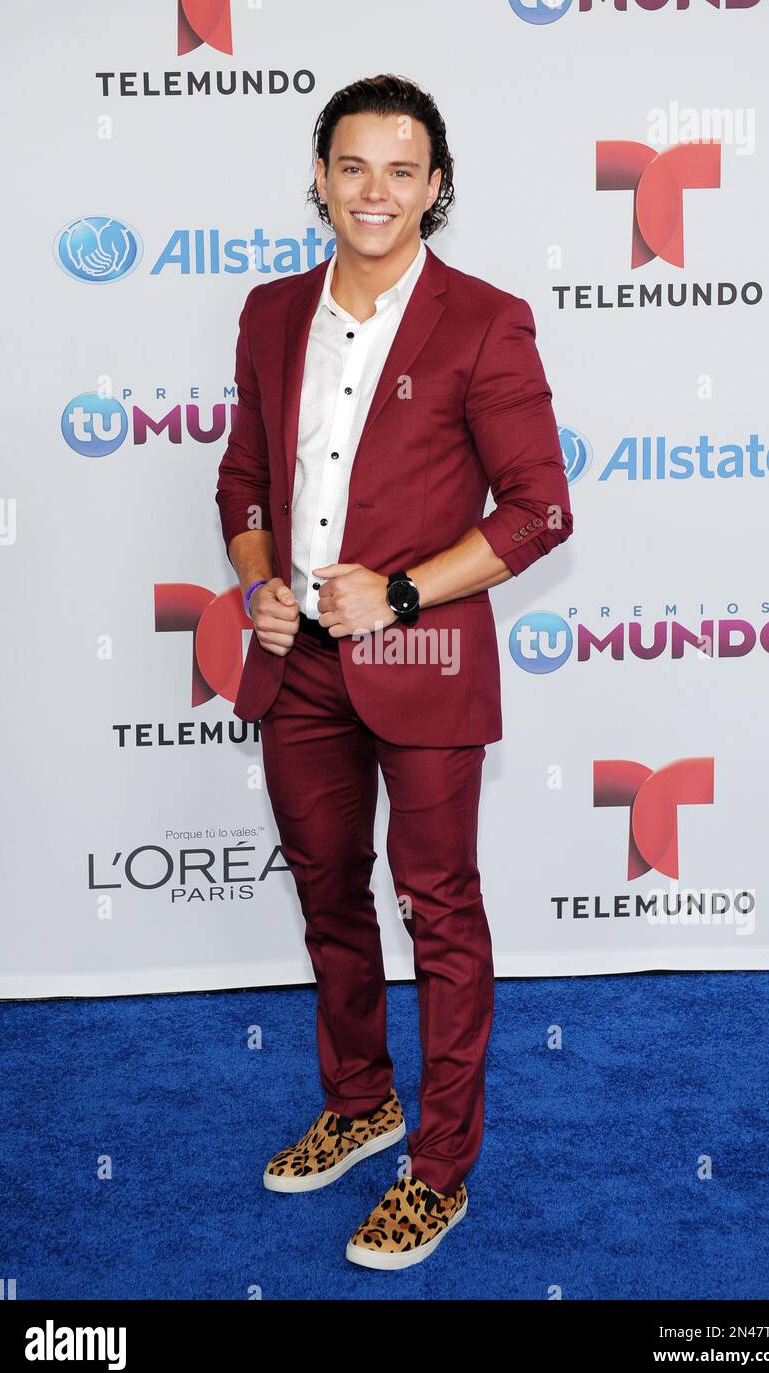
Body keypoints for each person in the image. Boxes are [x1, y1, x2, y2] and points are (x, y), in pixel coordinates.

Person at [215, 73, 573, 1271]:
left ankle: (440, 1165)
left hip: (419, 657)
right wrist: (261, 573)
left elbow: (537, 511)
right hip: (297, 666)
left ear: (437, 186)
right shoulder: (269, 312)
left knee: (439, 912)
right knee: (327, 895)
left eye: (401, 170)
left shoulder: (483, 319)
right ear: (318, 177)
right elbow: (244, 480)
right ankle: (360, 1100)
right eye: (351, 166)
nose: (375, 192)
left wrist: (406, 590)